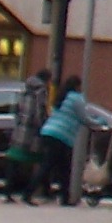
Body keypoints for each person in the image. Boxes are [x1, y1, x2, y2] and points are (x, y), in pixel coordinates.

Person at [38, 73, 89, 206]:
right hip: (61, 136)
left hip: (49, 131)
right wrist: (99, 122)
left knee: (60, 168)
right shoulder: (77, 99)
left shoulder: (61, 97)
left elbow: (54, 112)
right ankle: (28, 192)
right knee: (55, 167)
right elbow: (84, 117)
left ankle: (65, 198)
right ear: (77, 86)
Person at [2, 68, 48, 203]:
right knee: (39, 162)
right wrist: (42, 125)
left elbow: (17, 109)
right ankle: (30, 194)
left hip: (19, 131)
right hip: (32, 134)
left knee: (14, 161)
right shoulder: (41, 91)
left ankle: (8, 192)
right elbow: (39, 112)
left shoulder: (25, 90)